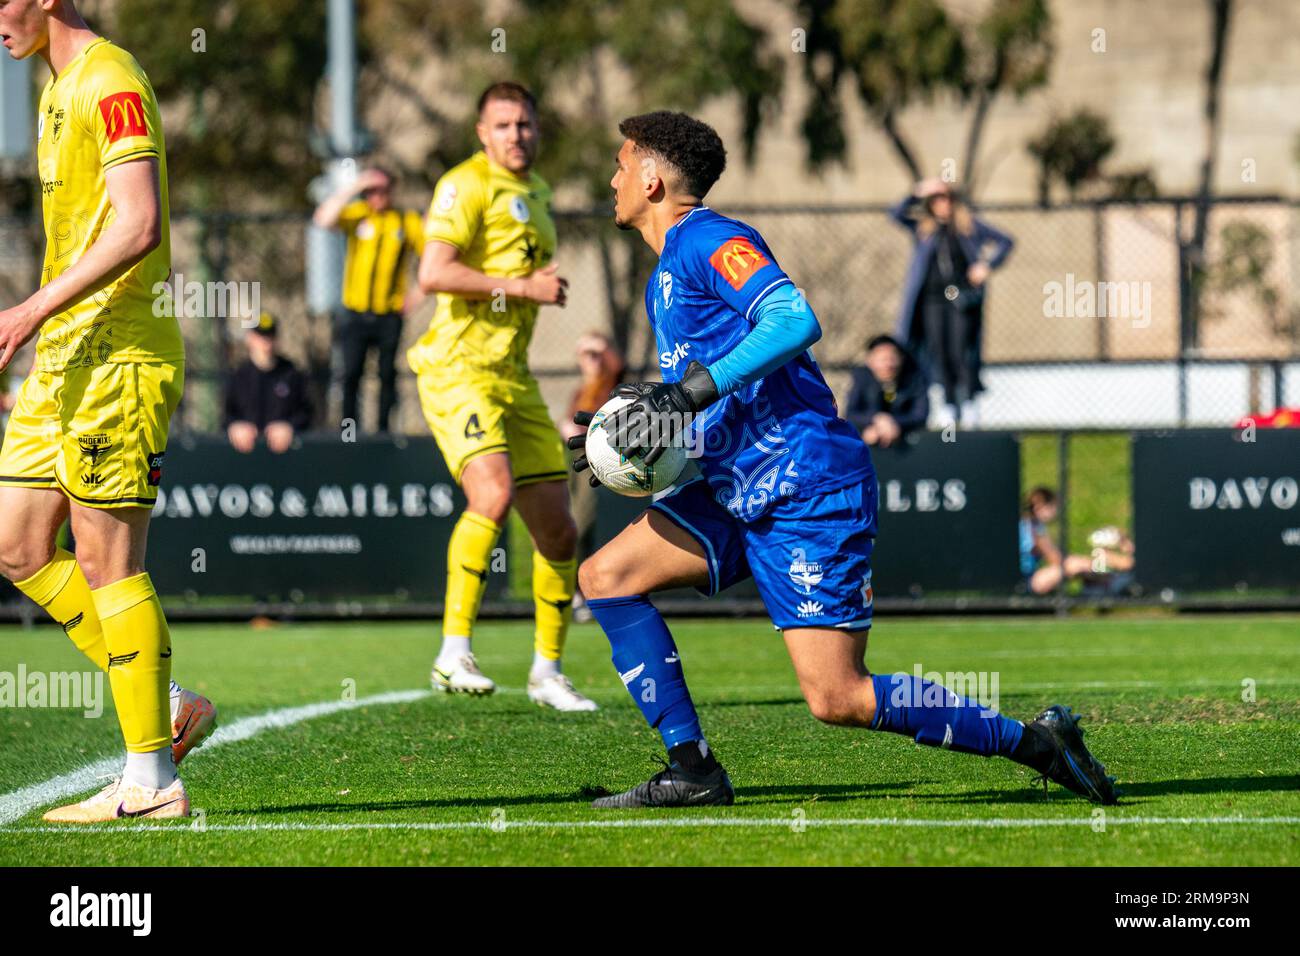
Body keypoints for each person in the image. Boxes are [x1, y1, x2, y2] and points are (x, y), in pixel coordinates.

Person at [566, 110, 1117, 808]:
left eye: (620, 164)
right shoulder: (663, 276)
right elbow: (707, 397)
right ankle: (693, 770)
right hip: (739, 488)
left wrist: (684, 396)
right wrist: (626, 438)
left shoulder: (712, 238)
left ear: (650, 178)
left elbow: (794, 321)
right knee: (606, 575)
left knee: (838, 697)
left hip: (804, 483)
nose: (611, 178)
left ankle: (1038, 743)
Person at [0, 2, 215, 822]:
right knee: (17, 545)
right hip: (60, 359)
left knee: (108, 563)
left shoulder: (110, 77)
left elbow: (140, 222)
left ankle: (151, 779)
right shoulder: (53, 90)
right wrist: (42, 328)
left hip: (119, 355)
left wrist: (26, 310)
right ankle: (166, 703)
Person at [410, 81, 595, 712]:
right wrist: (521, 288)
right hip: (457, 369)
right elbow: (433, 272)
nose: (517, 135)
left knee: (560, 532)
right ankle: (452, 651)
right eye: (504, 125)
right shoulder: (465, 185)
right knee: (490, 494)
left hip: (512, 378)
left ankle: (547, 671)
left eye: (525, 124)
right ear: (481, 134)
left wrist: (533, 288)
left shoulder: (537, 192)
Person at [889, 178, 1013, 429]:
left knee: (960, 352)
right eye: (936, 200)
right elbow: (895, 213)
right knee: (939, 352)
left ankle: (968, 403)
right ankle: (947, 405)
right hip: (931, 302)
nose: (941, 204)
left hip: (961, 300)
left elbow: (1005, 241)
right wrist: (917, 192)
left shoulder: (968, 227)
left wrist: (986, 266)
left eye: (945, 198)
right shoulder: (923, 229)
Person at [313, 165, 424, 433]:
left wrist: (417, 295)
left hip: (388, 314)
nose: (377, 196)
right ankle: (349, 432)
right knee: (351, 374)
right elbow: (323, 219)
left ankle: (383, 432)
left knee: (387, 375)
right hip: (355, 313)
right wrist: (354, 187)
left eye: (382, 190)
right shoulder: (358, 216)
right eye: (371, 191)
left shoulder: (405, 221)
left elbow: (432, 255)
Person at [223, 312, 314, 454]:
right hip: (244, 458)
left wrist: (290, 427)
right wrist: (235, 427)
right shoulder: (238, 377)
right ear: (250, 339)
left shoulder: (292, 375)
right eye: (261, 337)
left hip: (285, 457)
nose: (266, 343)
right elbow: (226, 415)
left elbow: (306, 413)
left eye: (270, 337)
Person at [1020, 487, 1135, 596]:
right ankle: (1116, 576)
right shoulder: (1032, 528)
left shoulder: (1032, 525)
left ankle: (1107, 581)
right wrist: (1089, 563)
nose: (1056, 510)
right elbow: (1056, 559)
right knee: (1074, 565)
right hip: (1026, 582)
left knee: (1078, 565)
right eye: (1053, 506)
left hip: (1029, 578)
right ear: (1039, 505)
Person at [845, 334, 929, 447]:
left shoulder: (914, 378)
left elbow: (920, 414)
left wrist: (894, 423)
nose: (888, 364)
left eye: (892, 358)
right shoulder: (861, 377)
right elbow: (851, 414)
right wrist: (877, 420)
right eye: (882, 359)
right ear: (870, 360)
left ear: (901, 358)